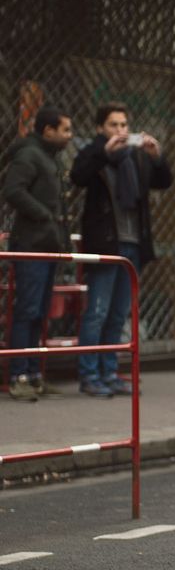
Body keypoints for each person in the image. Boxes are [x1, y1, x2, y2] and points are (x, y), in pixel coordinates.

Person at [71, 101, 172, 397]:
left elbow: (164, 181)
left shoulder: (136, 158)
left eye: (124, 125)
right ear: (101, 128)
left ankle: (110, 371)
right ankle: (89, 375)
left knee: (119, 313)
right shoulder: (94, 153)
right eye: (113, 125)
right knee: (97, 312)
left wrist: (157, 157)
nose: (120, 131)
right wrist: (104, 153)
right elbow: (78, 176)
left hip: (133, 245)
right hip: (105, 243)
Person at [2, 105, 72, 401]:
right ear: (48, 131)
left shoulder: (47, 157)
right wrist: (44, 215)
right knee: (28, 310)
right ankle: (19, 374)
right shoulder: (30, 154)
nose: (70, 136)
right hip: (32, 242)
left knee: (39, 311)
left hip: (46, 243)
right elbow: (13, 190)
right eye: (65, 130)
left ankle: (33, 373)